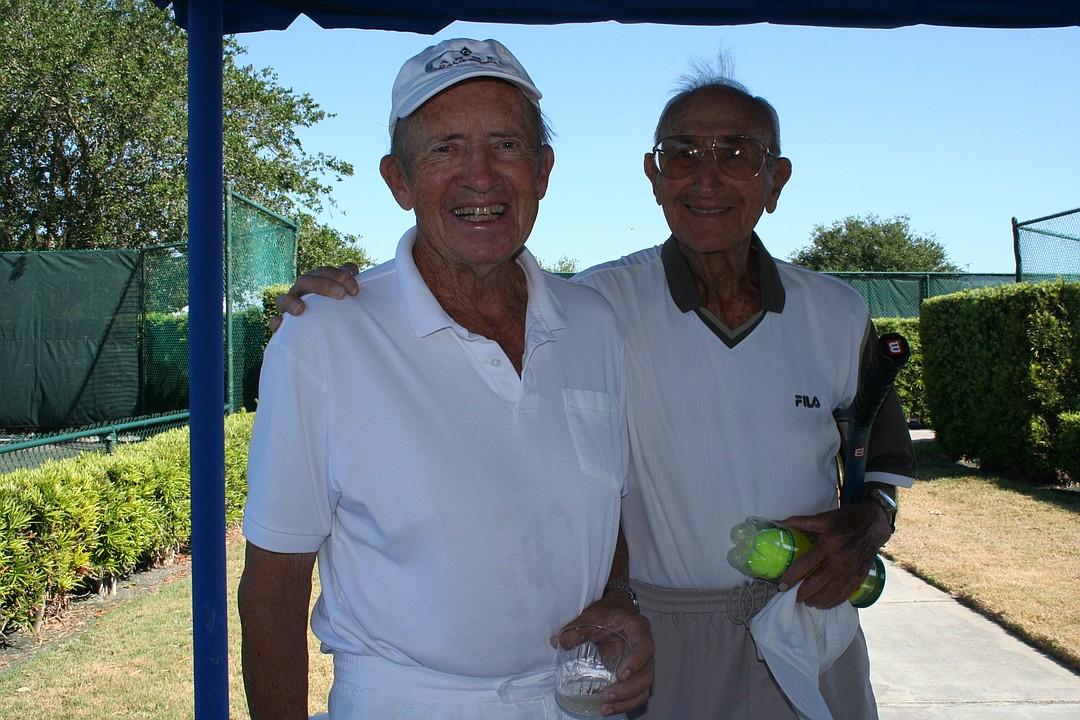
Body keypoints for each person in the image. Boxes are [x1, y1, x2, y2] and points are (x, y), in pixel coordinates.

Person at [279, 70, 916, 719]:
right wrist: (327, 309)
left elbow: (883, 457)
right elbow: (470, 314)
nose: (706, 178)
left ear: (776, 178)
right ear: (652, 174)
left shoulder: (836, 311)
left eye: (736, 154)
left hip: (810, 621)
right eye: (683, 154)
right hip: (661, 638)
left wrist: (868, 521)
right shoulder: (598, 305)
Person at [238, 37, 653, 720]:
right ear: (398, 180)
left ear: (543, 170)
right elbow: (273, 590)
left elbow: (605, 516)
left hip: (579, 702)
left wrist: (618, 597)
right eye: (445, 149)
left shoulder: (595, 323)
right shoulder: (325, 335)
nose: (481, 176)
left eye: (507, 146)